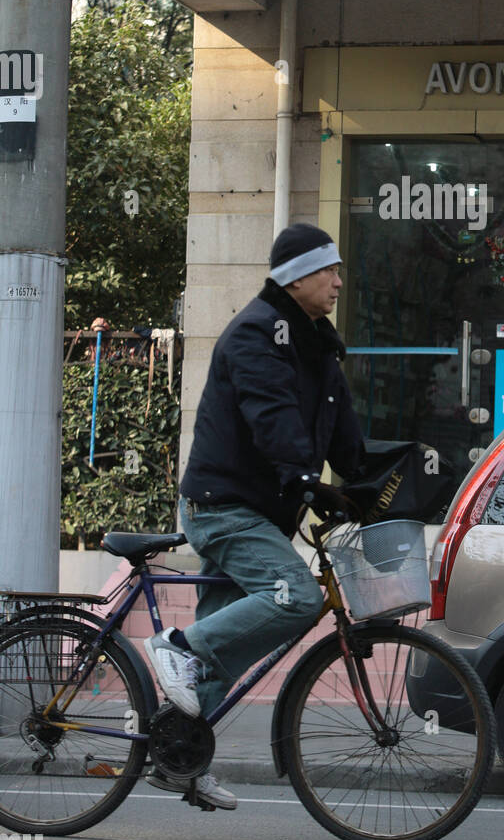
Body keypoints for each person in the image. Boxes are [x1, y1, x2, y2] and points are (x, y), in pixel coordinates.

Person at [143, 223, 365, 810]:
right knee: (294, 595)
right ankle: (176, 646)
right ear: (298, 275)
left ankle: (177, 760)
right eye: (330, 271)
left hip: (258, 513)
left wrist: (390, 480)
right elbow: (272, 421)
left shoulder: (317, 345)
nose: (340, 282)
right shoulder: (255, 334)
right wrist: (304, 482)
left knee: (230, 646)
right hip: (221, 508)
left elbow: (346, 445)